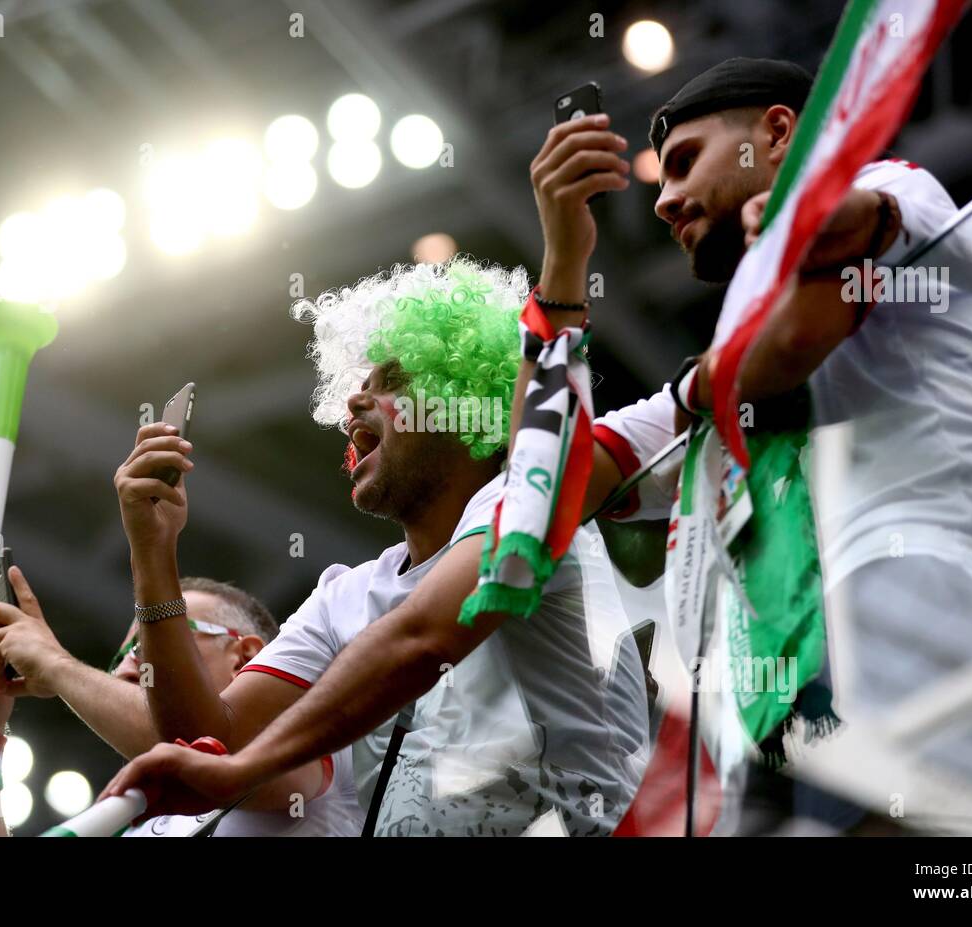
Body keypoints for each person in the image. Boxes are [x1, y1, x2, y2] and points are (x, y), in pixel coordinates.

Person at [522, 57, 972, 831]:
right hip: (778, 708)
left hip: (918, 644)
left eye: (683, 162)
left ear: (779, 132)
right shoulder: (713, 365)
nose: (664, 201)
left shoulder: (895, 190)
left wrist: (695, 395)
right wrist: (562, 264)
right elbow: (549, 491)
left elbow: (782, 350)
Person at [100, 257, 649, 836]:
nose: (352, 408)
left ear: (465, 406)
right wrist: (153, 555)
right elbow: (208, 735)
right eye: (353, 388)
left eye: (389, 382)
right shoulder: (345, 595)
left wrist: (248, 766)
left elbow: (417, 639)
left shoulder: (536, 514)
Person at [0, 574, 362, 836]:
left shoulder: (307, 738)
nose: (124, 669)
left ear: (245, 657)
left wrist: (55, 664)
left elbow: (204, 742)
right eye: (119, 657)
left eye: (147, 647)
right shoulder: (124, 822)